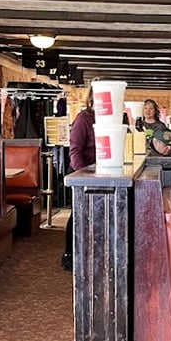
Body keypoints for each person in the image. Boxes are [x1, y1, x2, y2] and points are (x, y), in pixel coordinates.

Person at [61, 91, 95, 271]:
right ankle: (69, 254)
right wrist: (83, 175)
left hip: (100, 174)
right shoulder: (83, 119)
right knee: (78, 214)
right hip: (80, 173)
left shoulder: (111, 119)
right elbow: (75, 151)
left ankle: (88, 253)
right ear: (92, 99)